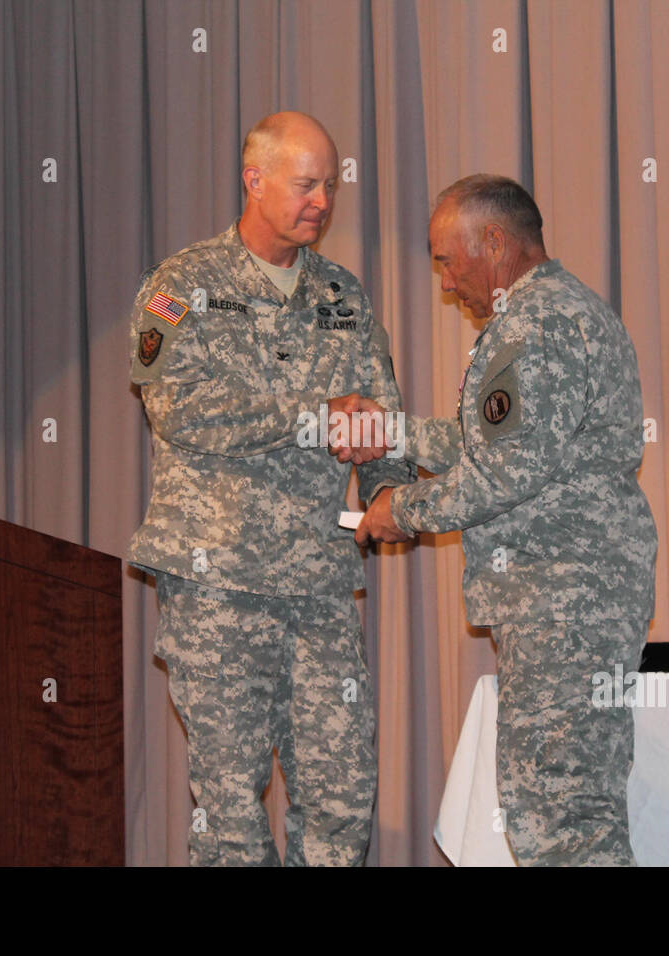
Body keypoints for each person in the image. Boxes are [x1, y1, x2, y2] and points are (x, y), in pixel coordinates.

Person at [127, 112, 413, 866]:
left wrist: (388, 491)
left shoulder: (343, 294)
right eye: (305, 182)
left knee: (342, 798)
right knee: (231, 815)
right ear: (254, 180)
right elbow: (177, 405)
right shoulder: (181, 285)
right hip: (219, 584)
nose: (322, 199)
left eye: (331, 184)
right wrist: (317, 420)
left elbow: (378, 414)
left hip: (318, 585)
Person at [352, 174, 658, 865]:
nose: (446, 280)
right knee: (576, 810)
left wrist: (400, 508)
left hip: (561, 600)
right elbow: (494, 445)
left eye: (446, 258)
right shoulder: (569, 310)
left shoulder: (533, 324)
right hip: (576, 598)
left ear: (493, 241)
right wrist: (394, 436)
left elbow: (505, 472)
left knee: (557, 817)